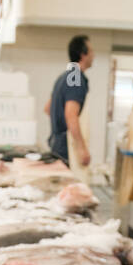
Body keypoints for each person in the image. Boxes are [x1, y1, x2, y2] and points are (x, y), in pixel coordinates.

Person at [45, 34, 94, 169]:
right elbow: (71, 115)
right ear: (83, 55)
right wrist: (81, 148)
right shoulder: (75, 78)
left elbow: (48, 108)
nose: (93, 55)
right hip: (67, 149)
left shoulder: (65, 76)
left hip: (57, 144)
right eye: (91, 51)